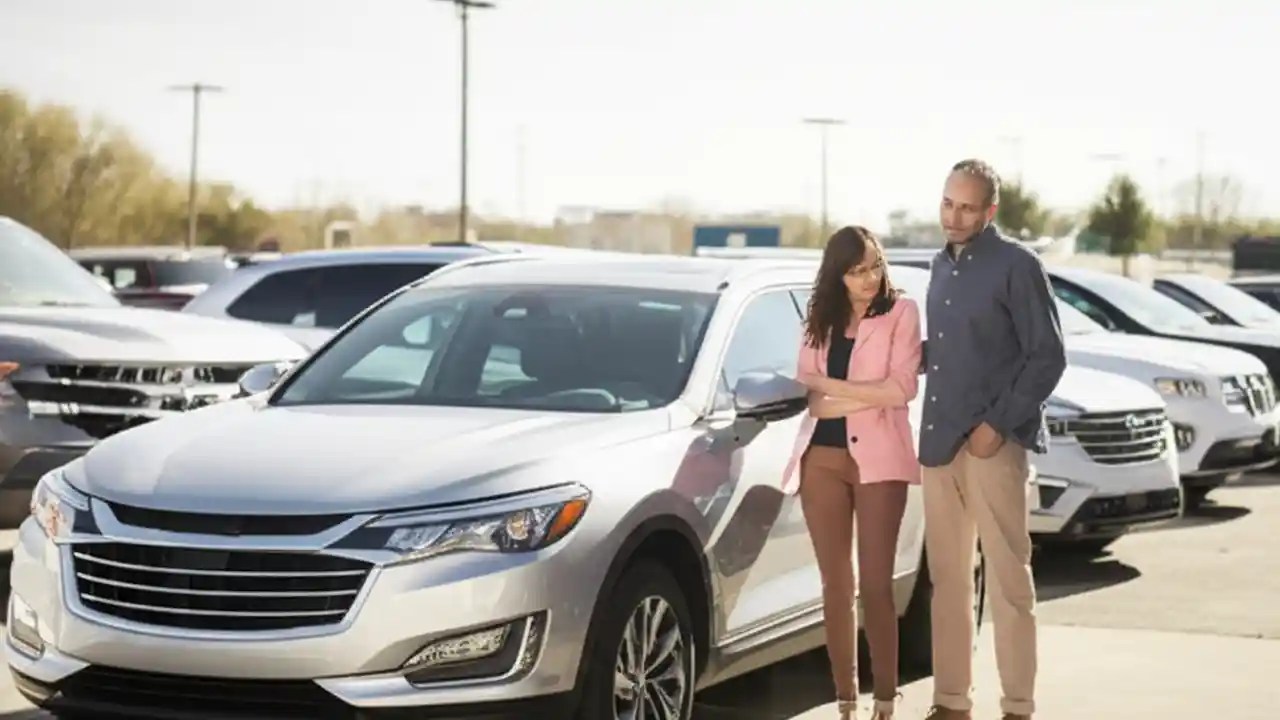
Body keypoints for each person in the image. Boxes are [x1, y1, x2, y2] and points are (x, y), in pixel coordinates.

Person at [919, 159, 1066, 720]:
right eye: (947, 204)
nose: (954, 217)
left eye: (967, 207)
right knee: (948, 582)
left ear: (990, 211)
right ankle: (951, 703)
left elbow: (1047, 356)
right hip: (938, 447)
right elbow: (955, 349)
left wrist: (996, 425)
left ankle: (1018, 707)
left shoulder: (1017, 265)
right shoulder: (939, 265)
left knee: (1008, 583)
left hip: (993, 447)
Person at [783, 226, 923, 720]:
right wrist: (860, 392)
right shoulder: (818, 316)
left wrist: (833, 390)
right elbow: (810, 396)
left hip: (880, 459)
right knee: (836, 585)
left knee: (878, 584)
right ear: (837, 274)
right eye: (856, 270)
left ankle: (886, 701)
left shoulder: (901, 311)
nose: (869, 279)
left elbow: (901, 388)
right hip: (820, 461)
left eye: (874, 266)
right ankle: (846, 701)